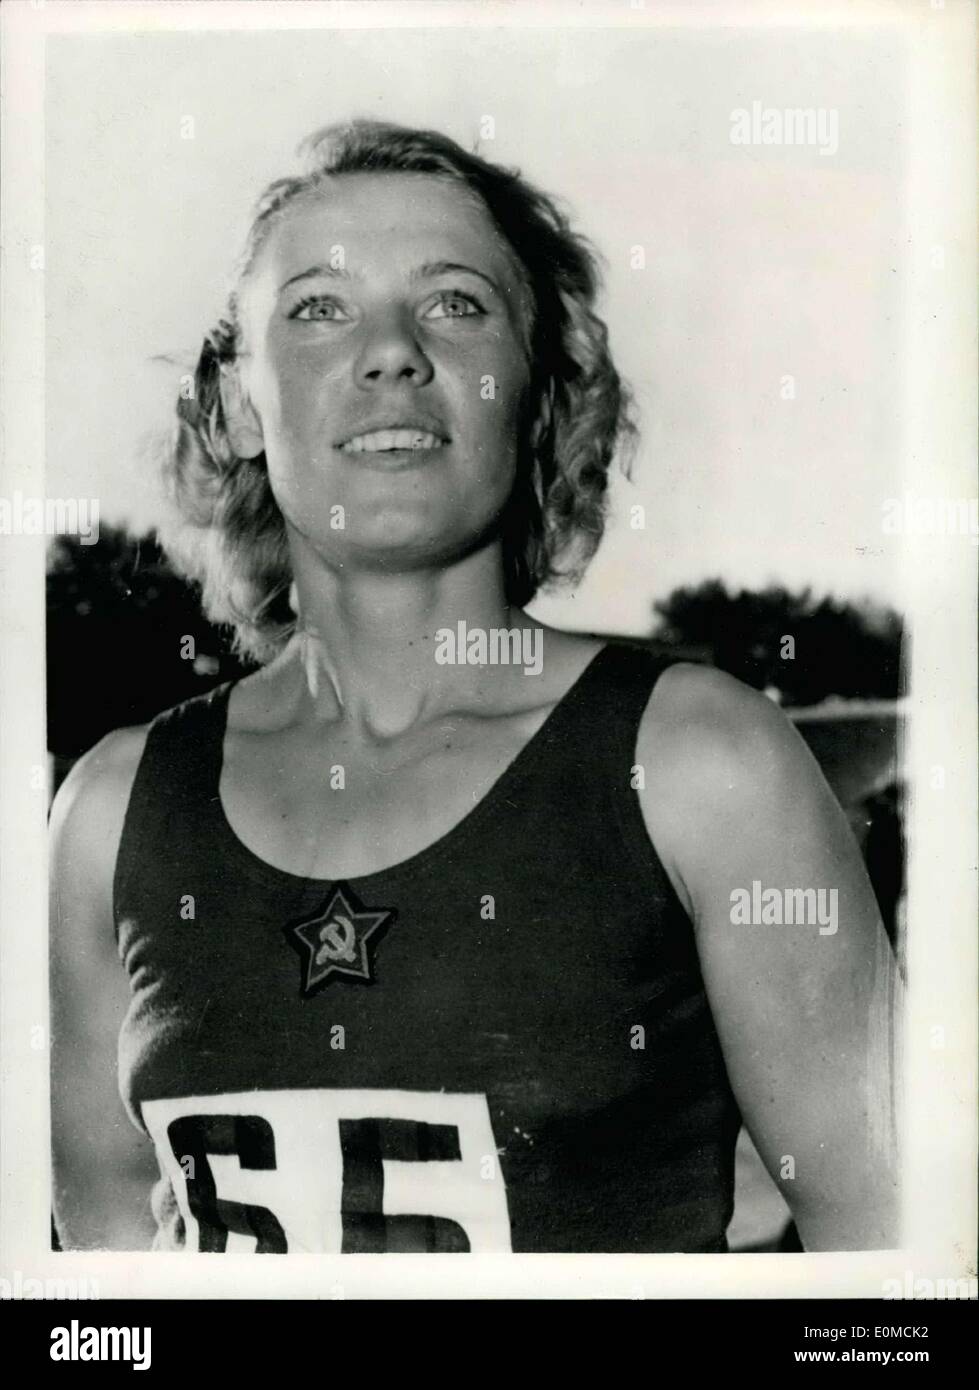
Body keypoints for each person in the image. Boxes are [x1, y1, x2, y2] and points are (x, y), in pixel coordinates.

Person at [49, 120, 900, 1254]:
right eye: (316, 307)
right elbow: (104, 1271)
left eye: (455, 302)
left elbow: (897, 1275)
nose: (392, 350)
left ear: (536, 390)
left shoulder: (701, 762)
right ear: (238, 403)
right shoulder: (112, 813)